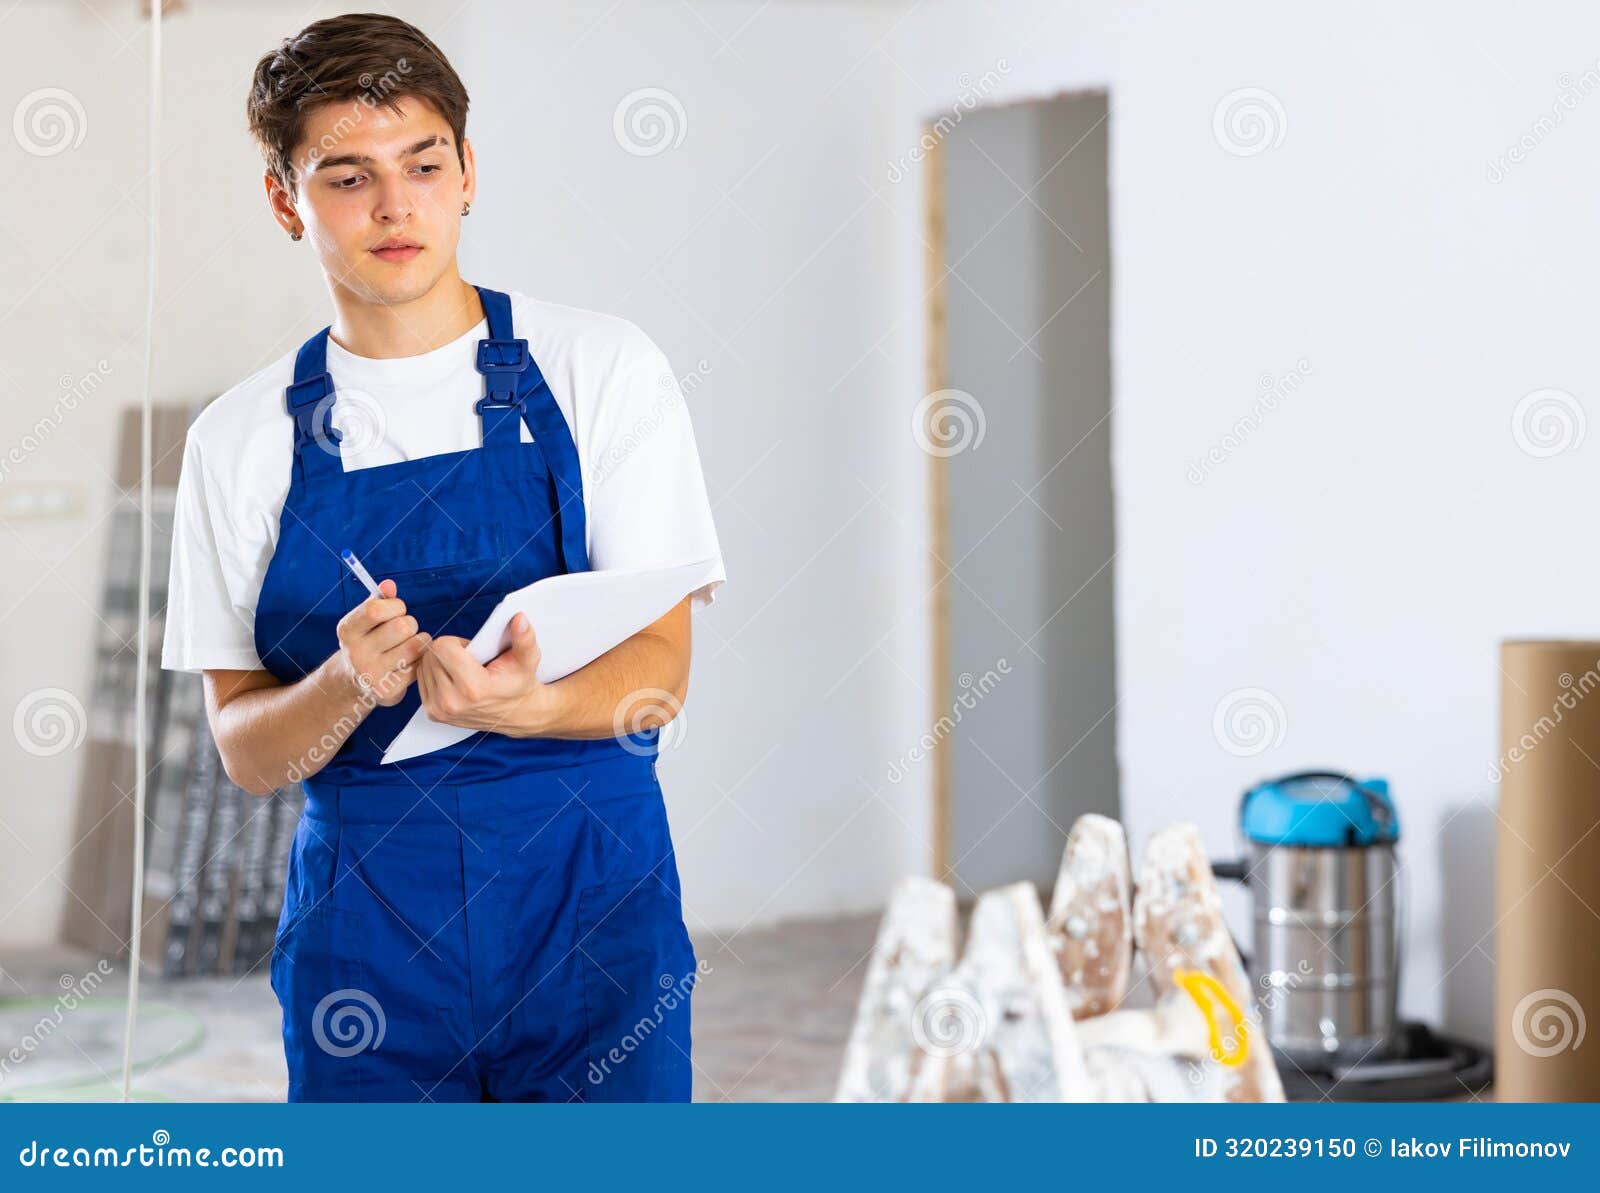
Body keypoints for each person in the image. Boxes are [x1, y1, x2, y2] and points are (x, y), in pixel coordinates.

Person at [161, 12, 724, 1103]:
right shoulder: (237, 441)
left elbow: (658, 673)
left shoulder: (598, 368)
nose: (393, 204)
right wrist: (341, 686)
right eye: (346, 176)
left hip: (591, 910)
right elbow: (246, 749)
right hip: (370, 941)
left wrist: (520, 704)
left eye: (423, 163)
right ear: (286, 200)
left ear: (468, 172)